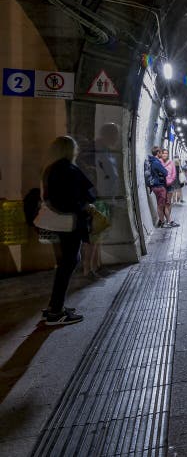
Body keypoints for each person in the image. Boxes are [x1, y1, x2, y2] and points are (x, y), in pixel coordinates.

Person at [41, 136, 96, 326]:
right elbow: (88, 193)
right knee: (69, 263)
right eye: (75, 147)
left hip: (55, 222)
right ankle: (56, 312)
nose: (77, 150)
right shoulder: (70, 170)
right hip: (71, 222)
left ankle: (53, 306)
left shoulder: (50, 169)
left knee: (65, 263)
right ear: (69, 150)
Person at [79, 123, 120, 278]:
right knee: (92, 238)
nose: (117, 138)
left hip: (107, 199)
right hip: (96, 200)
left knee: (99, 237)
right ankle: (87, 269)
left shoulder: (107, 151)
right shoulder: (93, 151)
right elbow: (90, 177)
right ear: (108, 135)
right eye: (115, 135)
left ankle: (96, 266)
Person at [148, 146, 170, 228]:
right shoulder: (156, 162)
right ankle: (162, 222)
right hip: (159, 186)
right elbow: (165, 172)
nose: (162, 153)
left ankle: (162, 221)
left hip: (155, 186)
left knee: (160, 205)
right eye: (161, 152)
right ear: (158, 153)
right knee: (161, 206)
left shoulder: (152, 161)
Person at [159, 149, 179, 227]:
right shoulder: (159, 162)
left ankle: (168, 220)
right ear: (161, 154)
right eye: (163, 153)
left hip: (169, 185)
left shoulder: (172, 163)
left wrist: (170, 181)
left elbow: (174, 174)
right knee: (162, 204)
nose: (165, 155)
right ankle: (164, 220)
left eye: (166, 153)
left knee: (168, 203)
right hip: (161, 185)